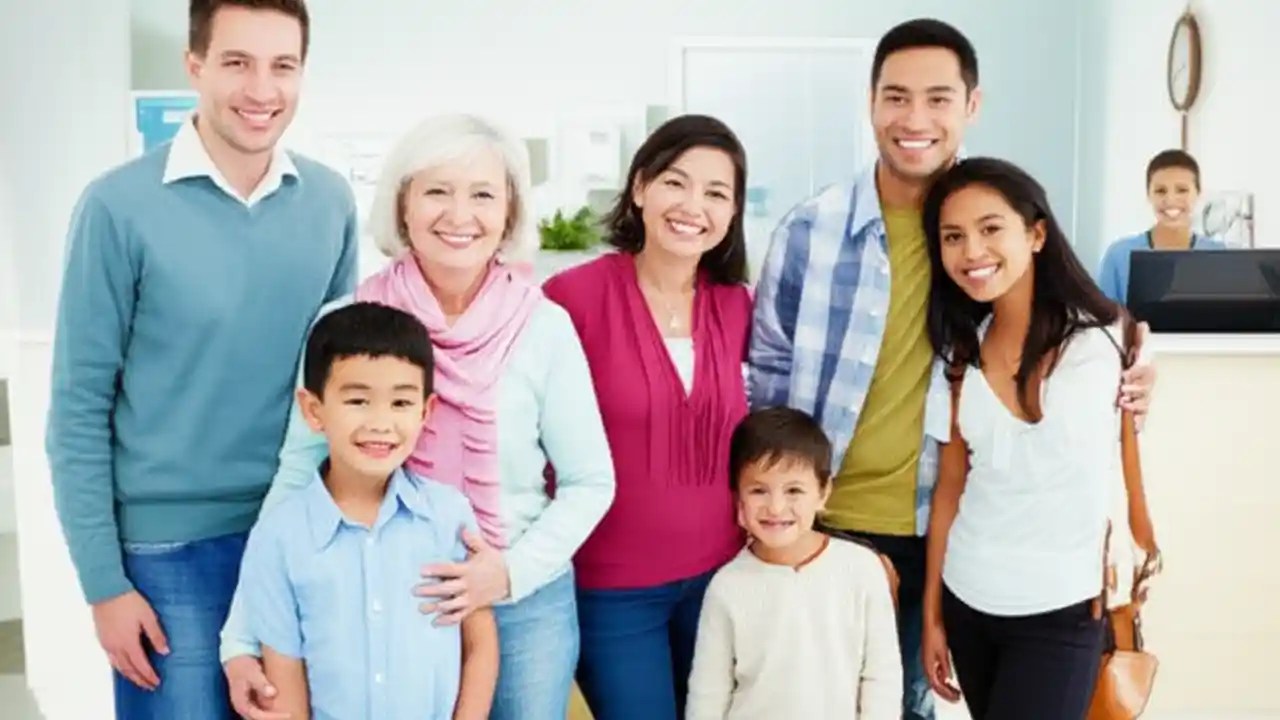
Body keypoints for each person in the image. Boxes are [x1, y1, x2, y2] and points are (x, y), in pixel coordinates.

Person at [747, 18, 1156, 720]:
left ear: (971, 105)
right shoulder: (807, 232)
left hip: (937, 537)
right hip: (822, 526)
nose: (915, 119)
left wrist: (1143, 354)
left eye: (938, 98)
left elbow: (1071, 314)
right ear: (871, 103)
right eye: (896, 97)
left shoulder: (985, 227)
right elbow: (764, 381)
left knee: (907, 707)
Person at [221, 112, 615, 720]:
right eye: (437, 191)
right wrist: (242, 637)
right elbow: (298, 476)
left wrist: (504, 575)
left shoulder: (545, 328)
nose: (460, 214)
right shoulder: (348, 322)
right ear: (402, 206)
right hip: (376, 594)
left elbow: (591, 482)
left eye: (483, 194)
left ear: (509, 214)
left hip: (520, 600)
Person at [45, 0, 358, 716]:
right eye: (237, 63)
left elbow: (338, 386)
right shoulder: (117, 208)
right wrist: (103, 584)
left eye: (283, 66)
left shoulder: (330, 203)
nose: (261, 90)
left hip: (298, 533)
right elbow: (77, 410)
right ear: (195, 65)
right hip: (166, 553)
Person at [542, 114, 752, 720]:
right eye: (675, 182)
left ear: (733, 213)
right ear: (639, 188)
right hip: (611, 586)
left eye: (717, 193)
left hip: (722, 579)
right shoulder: (571, 297)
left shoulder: (737, 304)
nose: (693, 206)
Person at [918, 157, 1139, 718]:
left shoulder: (1106, 343)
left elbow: (1134, 344)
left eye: (991, 228)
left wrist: (1146, 346)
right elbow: (949, 491)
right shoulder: (956, 357)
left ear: (1036, 233)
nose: (972, 251)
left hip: (1064, 608)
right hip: (971, 599)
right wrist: (932, 614)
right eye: (953, 236)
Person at [239, 301, 499, 719]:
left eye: (400, 403)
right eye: (358, 401)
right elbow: (284, 669)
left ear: (425, 411)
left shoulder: (447, 516)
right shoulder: (280, 535)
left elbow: (479, 641)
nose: (381, 423)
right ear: (313, 410)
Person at [686, 407, 902, 719]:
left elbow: (881, 677)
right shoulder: (726, 586)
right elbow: (708, 694)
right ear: (738, 498)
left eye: (794, 491)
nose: (775, 507)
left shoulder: (863, 570)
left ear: (823, 492)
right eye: (759, 490)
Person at [1096, 148, 1225, 305]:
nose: (1170, 199)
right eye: (1160, 191)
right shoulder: (1119, 255)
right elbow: (1104, 320)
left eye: (1182, 190)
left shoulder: (1220, 255)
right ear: (1148, 195)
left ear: (1198, 193)